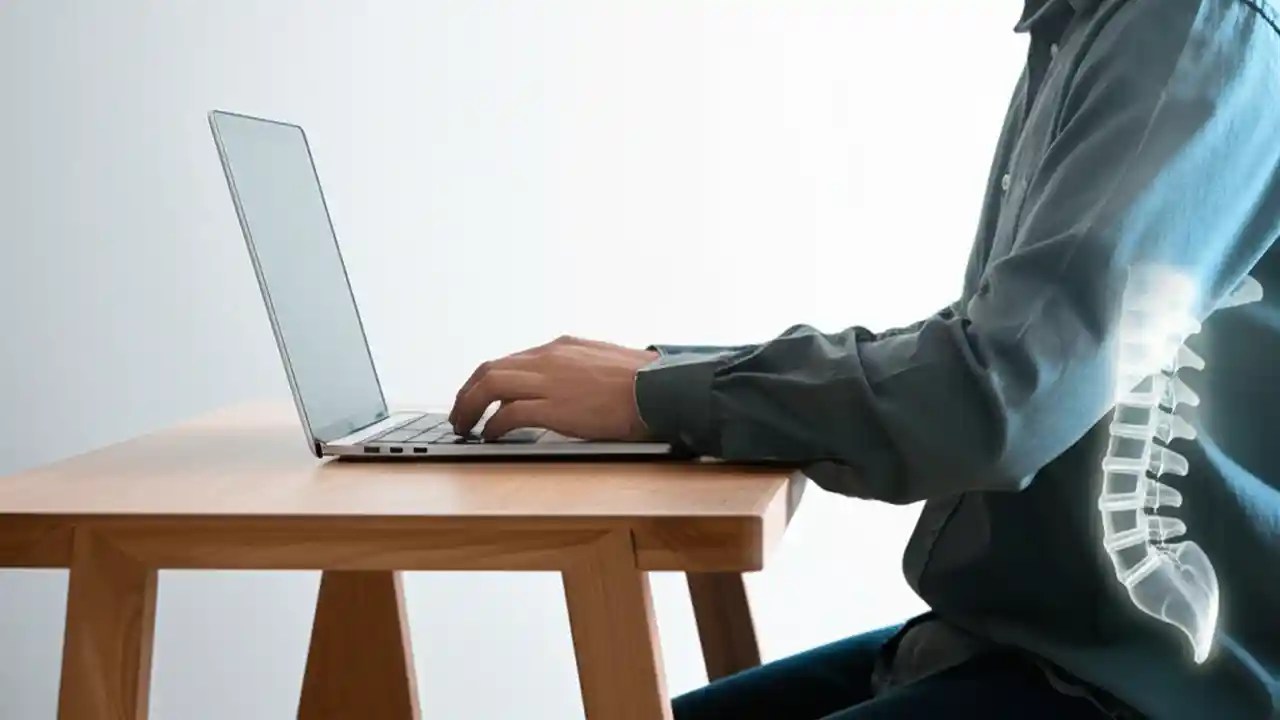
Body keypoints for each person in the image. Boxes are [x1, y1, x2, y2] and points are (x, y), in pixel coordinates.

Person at [449, 0, 1280, 717]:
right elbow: (996, 345)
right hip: (1029, 640)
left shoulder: (1194, 27)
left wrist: (659, 395)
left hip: (1150, 685)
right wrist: (662, 376)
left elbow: (995, 399)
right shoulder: (1095, 25)